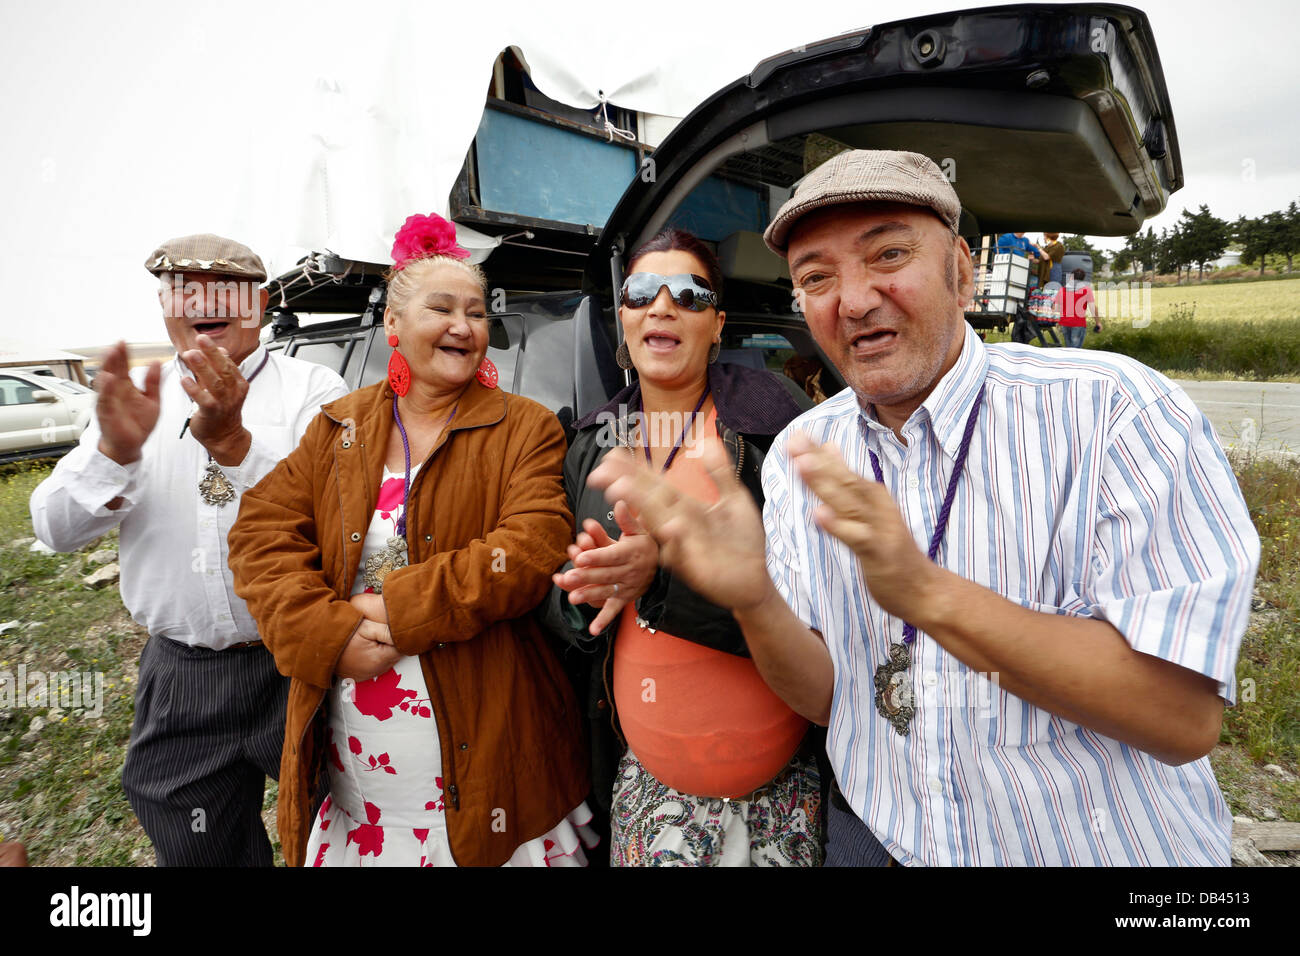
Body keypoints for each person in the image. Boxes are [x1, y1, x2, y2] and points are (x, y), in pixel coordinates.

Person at [587, 150, 1260, 866]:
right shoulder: (801, 452)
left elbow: (1182, 717)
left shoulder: (1113, 411)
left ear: (962, 271)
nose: (853, 299)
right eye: (817, 277)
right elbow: (825, 699)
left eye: (890, 254)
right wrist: (755, 602)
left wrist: (927, 594)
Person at [227, 212, 593, 867]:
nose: (463, 325)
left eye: (478, 313)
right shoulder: (340, 427)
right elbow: (260, 534)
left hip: (491, 768)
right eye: (442, 308)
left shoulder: (524, 427)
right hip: (358, 780)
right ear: (393, 325)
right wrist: (324, 632)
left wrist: (394, 608)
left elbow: (532, 546)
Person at [30, 234, 349, 865]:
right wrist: (113, 455)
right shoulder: (134, 404)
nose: (205, 302)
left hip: (300, 662)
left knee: (335, 830)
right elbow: (53, 529)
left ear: (257, 302)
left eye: (224, 289)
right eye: (185, 289)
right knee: (201, 847)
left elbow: (336, 512)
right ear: (166, 304)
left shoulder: (316, 387)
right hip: (183, 675)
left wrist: (233, 443)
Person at [541, 228, 823, 867]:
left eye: (690, 295)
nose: (662, 307)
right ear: (624, 319)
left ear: (717, 323)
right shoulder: (588, 445)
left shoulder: (775, 433)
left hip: (778, 795)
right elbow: (554, 604)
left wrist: (663, 577)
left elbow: (820, 604)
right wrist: (588, 594)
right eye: (642, 293)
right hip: (645, 783)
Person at [1058, 267, 1098, 348]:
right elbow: (1093, 308)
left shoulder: (1063, 289)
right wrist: (1098, 323)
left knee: (1069, 349)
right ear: (1083, 278)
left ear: (1071, 277)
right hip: (1078, 324)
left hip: (1064, 323)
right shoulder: (1086, 290)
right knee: (1076, 351)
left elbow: (1056, 307)